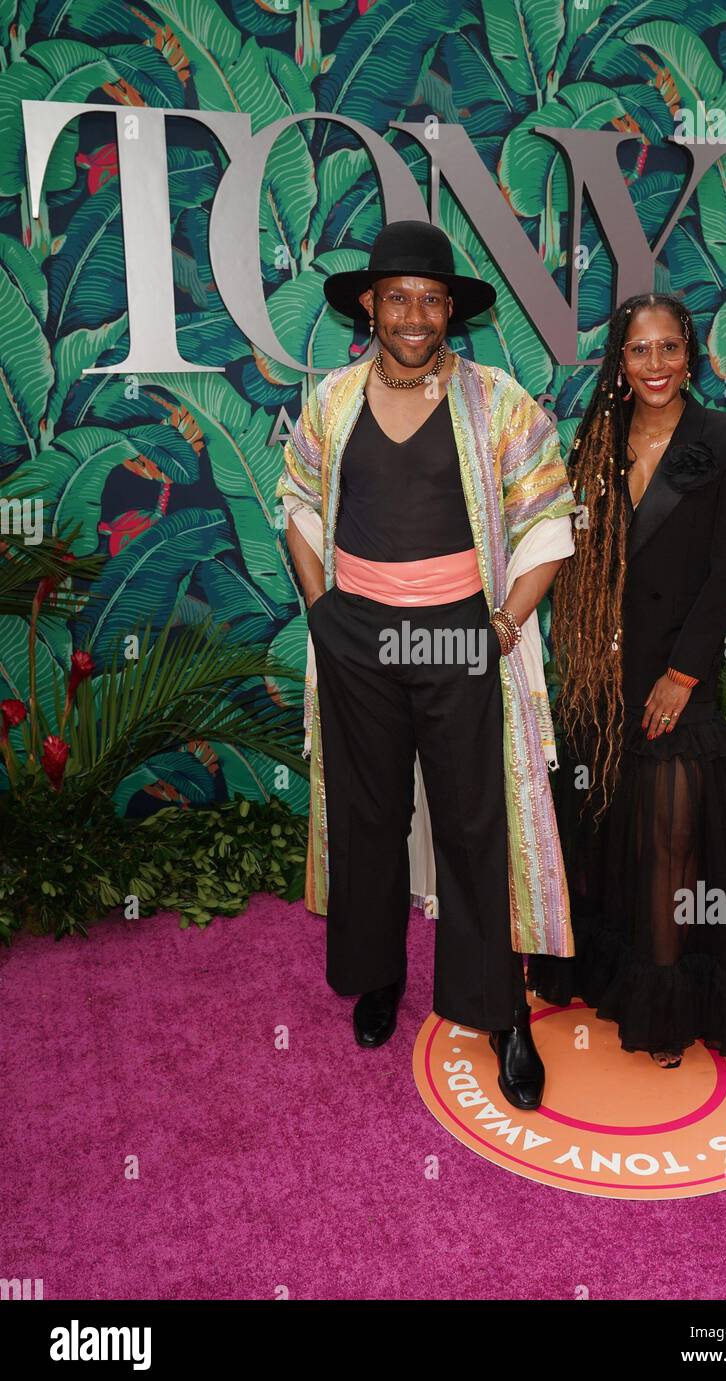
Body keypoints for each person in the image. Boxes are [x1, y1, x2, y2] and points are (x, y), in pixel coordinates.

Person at [276, 220, 578, 1109]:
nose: (414, 315)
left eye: (431, 299)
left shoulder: (499, 401)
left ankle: (500, 1012)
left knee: (475, 825)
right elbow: (295, 502)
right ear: (370, 306)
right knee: (366, 815)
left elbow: (549, 521)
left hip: (461, 637)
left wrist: (500, 626)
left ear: (453, 310)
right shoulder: (330, 400)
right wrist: (322, 610)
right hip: (356, 634)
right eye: (397, 297)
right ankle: (378, 978)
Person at [526, 292, 726, 1067]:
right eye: (637, 351)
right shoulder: (591, 442)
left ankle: (666, 1003)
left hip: (675, 672)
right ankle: (608, 972)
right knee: (603, 829)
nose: (654, 365)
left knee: (670, 839)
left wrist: (685, 675)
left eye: (668, 349)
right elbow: (568, 552)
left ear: (691, 355)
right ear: (618, 364)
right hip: (599, 673)